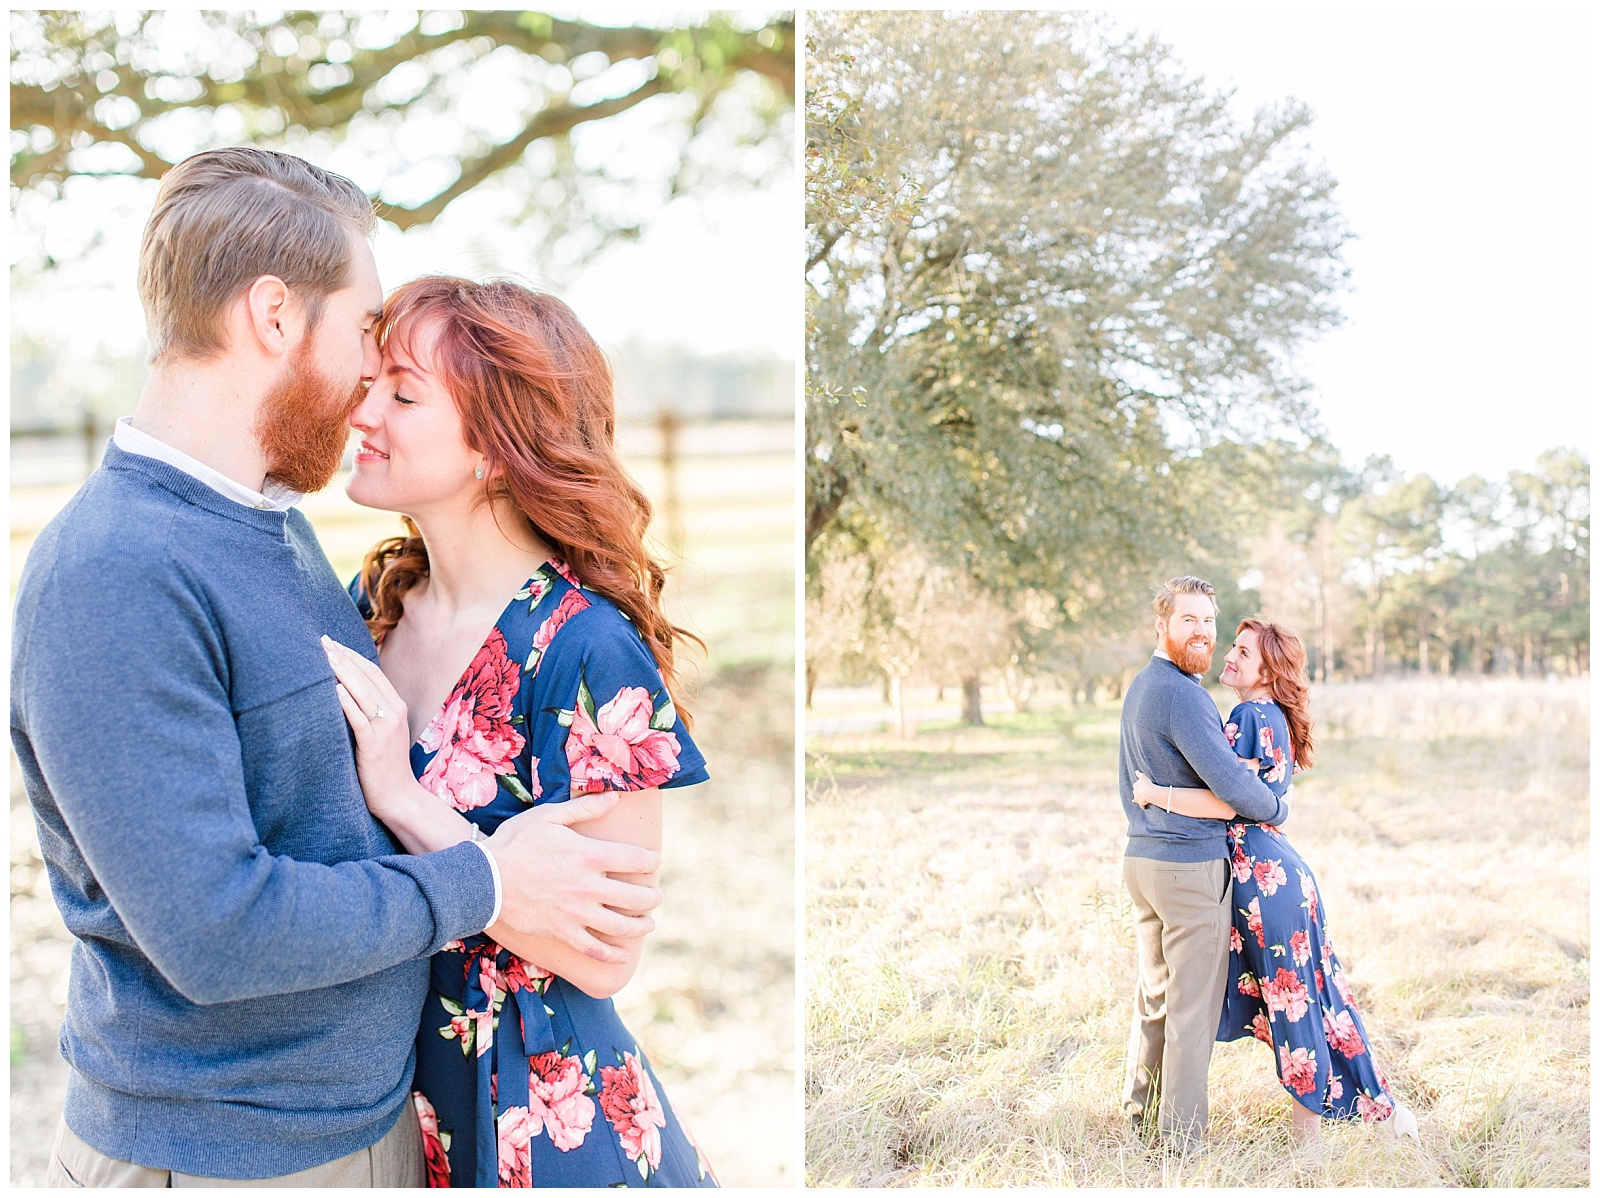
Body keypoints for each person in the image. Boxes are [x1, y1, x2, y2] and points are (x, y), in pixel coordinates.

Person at [11, 148, 665, 1187]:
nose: (368, 376)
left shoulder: (274, 532)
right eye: (364, 332)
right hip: (226, 1155)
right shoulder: (112, 570)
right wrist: (486, 876)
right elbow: (217, 932)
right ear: (274, 316)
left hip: (377, 1127)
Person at [320, 275, 717, 1187]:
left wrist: (403, 798)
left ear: (495, 449)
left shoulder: (585, 650)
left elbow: (603, 953)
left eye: (403, 394)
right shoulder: (371, 608)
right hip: (384, 1113)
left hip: (544, 1124)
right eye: (372, 381)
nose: (362, 411)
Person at [1132, 618, 1419, 1146]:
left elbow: (1227, 800)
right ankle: (1381, 1111)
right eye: (1234, 647)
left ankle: (1313, 1146)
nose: (1230, 657)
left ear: (1267, 672)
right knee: (1313, 997)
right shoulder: (1272, 716)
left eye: (1243, 652)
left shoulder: (1246, 714)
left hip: (1265, 882)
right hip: (1280, 874)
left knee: (1296, 1004)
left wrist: (1156, 793)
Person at [1118, 575, 1292, 1149]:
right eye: (1188, 619)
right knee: (1190, 1014)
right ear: (1162, 623)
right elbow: (1235, 787)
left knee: (1156, 1001)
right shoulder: (1184, 695)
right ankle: (1182, 1146)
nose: (1203, 632)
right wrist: (1276, 806)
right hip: (1187, 870)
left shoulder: (1142, 687)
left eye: (1209, 622)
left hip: (1143, 861)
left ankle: (1138, 1119)